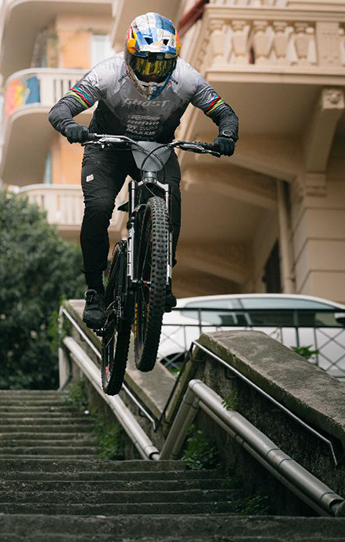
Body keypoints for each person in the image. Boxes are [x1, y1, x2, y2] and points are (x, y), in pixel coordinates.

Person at [47, 12, 239, 329]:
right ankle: (95, 291)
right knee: (98, 208)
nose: (152, 76)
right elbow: (61, 108)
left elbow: (224, 112)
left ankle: (162, 277)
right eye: (146, 64)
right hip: (106, 147)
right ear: (129, 57)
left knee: (171, 200)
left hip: (157, 150)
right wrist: (71, 126)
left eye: (161, 65)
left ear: (173, 61)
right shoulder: (107, 74)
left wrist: (227, 135)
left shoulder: (187, 78)